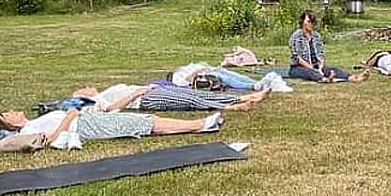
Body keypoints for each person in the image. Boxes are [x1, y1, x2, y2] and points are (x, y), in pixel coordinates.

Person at [0, 107, 223, 147]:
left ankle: (201, 125)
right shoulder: (28, 131)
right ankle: (201, 125)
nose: (14, 111)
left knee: (145, 121)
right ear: (8, 123)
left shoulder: (32, 123)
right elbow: (47, 139)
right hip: (86, 125)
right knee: (145, 123)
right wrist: (68, 120)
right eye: (8, 114)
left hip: (87, 120)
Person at [72, 83, 270, 112]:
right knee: (190, 102)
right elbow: (112, 109)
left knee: (195, 93)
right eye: (84, 88)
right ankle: (234, 106)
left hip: (149, 91)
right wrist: (136, 93)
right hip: (144, 100)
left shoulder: (105, 90)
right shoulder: (99, 100)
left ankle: (245, 98)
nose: (88, 86)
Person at [289, 10, 368, 83]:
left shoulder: (316, 36)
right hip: (298, 67)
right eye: (309, 21)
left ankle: (353, 78)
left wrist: (320, 67)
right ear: (302, 22)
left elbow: (321, 54)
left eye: (313, 22)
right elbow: (297, 58)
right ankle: (325, 79)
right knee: (310, 72)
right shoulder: (296, 36)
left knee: (333, 69)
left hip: (315, 65)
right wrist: (312, 68)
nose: (311, 24)